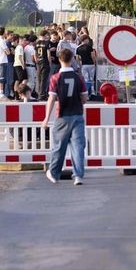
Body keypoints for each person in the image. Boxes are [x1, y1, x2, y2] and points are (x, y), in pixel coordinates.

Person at [41, 48, 88, 186]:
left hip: (62, 115)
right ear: (72, 58)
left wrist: (46, 118)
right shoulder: (79, 77)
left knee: (59, 146)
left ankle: (54, 172)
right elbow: (84, 97)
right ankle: (78, 175)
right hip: (77, 114)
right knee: (78, 146)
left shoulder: (55, 78)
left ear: (60, 59)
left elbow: (51, 99)